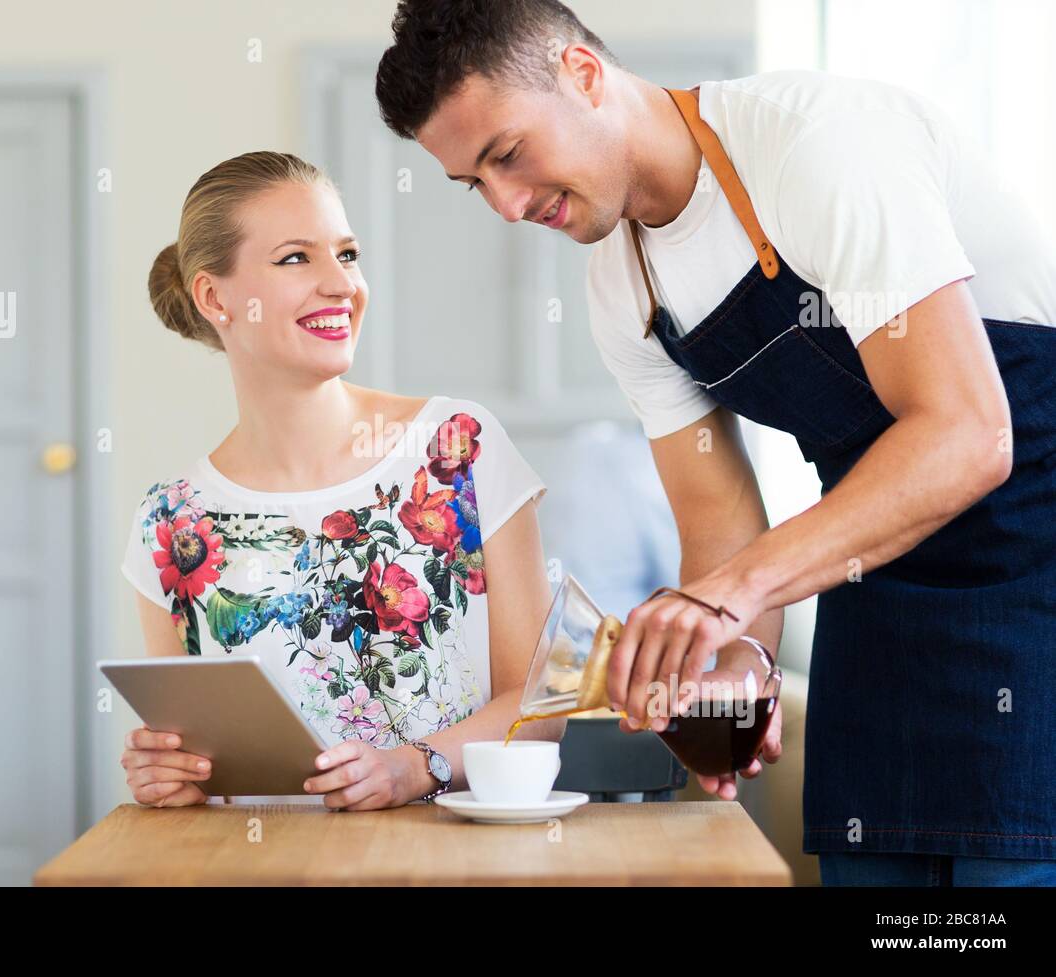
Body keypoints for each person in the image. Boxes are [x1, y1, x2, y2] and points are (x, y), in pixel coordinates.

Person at [374, 0, 1056, 884]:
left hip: (1038, 572)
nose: (505, 204)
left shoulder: (817, 149)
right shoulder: (628, 290)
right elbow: (719, 525)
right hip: (875, 588)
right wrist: (736, 664)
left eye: (506, 154)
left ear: (583, 75)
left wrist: (723, 600)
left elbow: (969, 434)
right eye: (476, 183)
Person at [119, 150, 559, 811]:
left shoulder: (458, 447)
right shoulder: (171, 521)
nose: (340, 284)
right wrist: (173, 776)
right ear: (215, 297)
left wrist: (415, 767)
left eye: (347, 254)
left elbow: (538, 707)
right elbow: (201, 761)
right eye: (297, 258)